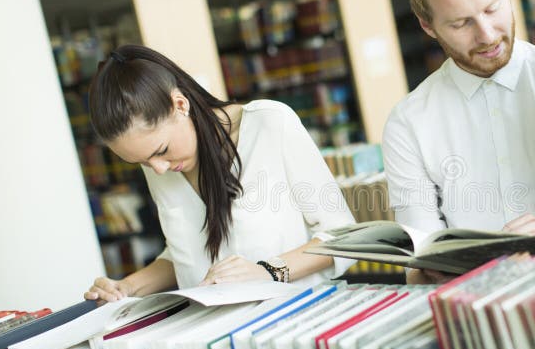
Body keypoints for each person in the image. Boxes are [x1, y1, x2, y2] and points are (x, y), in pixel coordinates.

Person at [84, 45, 355, 303]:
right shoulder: (160, 164)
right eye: (142, 162)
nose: (158, 168)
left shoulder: (269, 124)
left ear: (180, 104)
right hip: (214, 327)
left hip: (295, 315)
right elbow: (186, 254)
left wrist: (268, 271)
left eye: (162, 150)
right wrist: (127, 287)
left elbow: (343, 237)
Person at [382, 0, 535, 282]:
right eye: (461, 23)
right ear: (427, 26)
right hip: (475, 296)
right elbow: (421, 253)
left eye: (492, 8)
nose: (486, 35)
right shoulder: (408, 123)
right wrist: (429, 266)